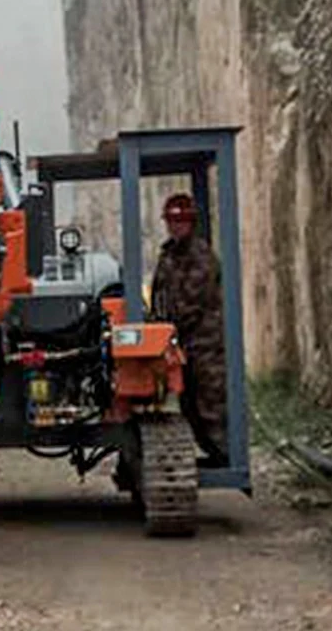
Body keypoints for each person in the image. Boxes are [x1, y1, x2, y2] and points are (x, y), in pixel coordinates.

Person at [149, 193, 228, 465]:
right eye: (171, 221)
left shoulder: (201, 256)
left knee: (211, 400)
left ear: (191, 223)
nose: (175, 226)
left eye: (181, 221)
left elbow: (192, 303)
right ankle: (211, 451)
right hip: (181, 341)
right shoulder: (168, 254)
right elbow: (159, 294)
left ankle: (224, 452)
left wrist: (167, 328)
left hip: (204, 343)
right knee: (189, 401)